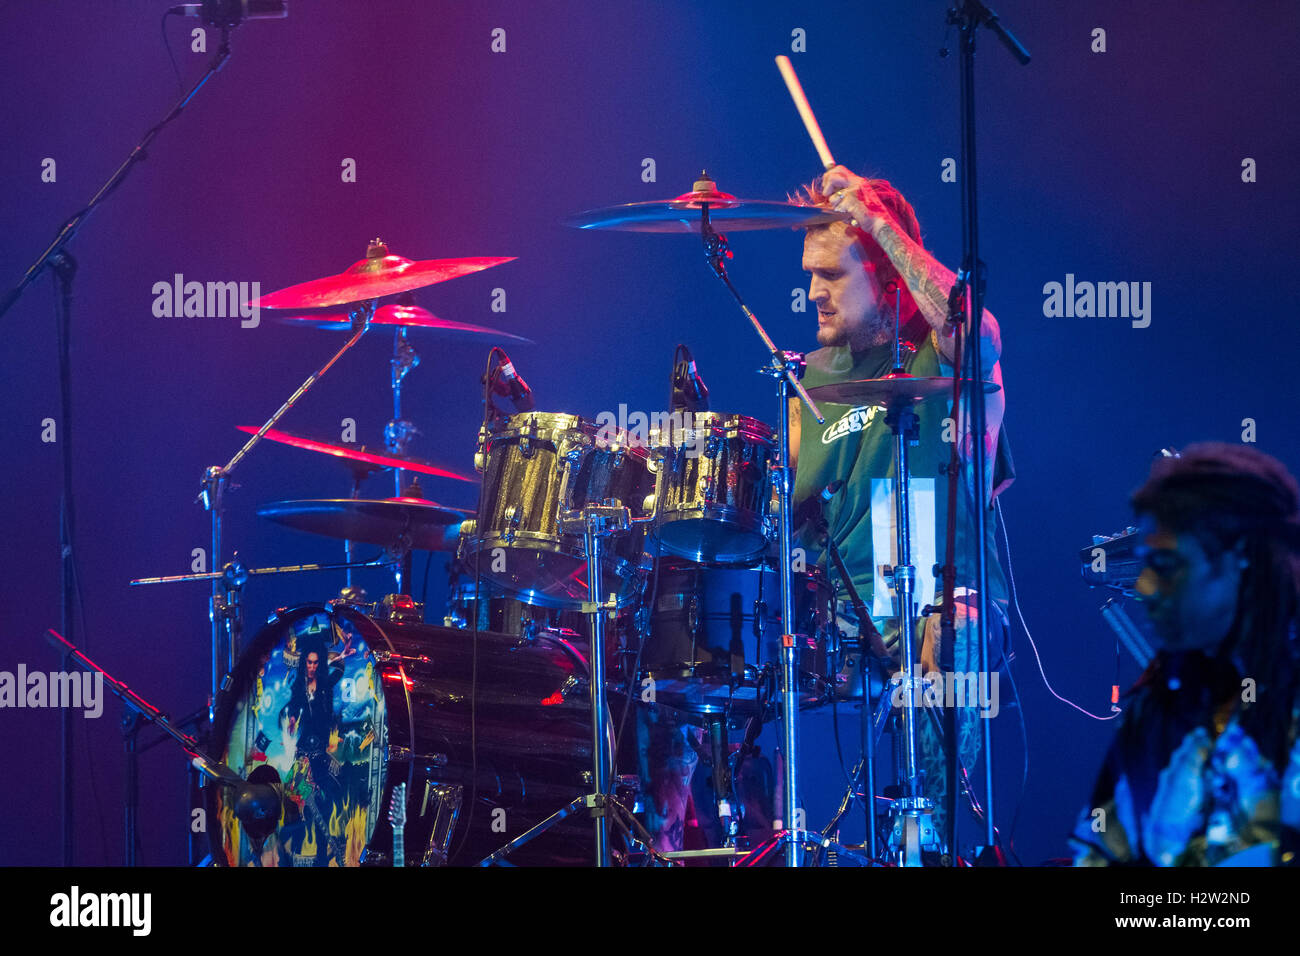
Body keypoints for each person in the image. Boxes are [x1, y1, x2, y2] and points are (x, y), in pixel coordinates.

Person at [789, 165, 1014, 851]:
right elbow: (782, 524)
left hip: (945, 609)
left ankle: (933, 845)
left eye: (832, 275)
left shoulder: (949, 353)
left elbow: (971, 324)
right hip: (841, 623)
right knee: (667, 654)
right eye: (810, 273)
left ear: (887, 274)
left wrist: (881, 224)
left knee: (950, 631)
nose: (813, 293)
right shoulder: (807, 381)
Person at [1071, 443, 1300, 866]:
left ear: (1238, 561)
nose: (1145, 587)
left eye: (1167, 565)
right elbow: (1103, 848)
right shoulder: (1160, 702)